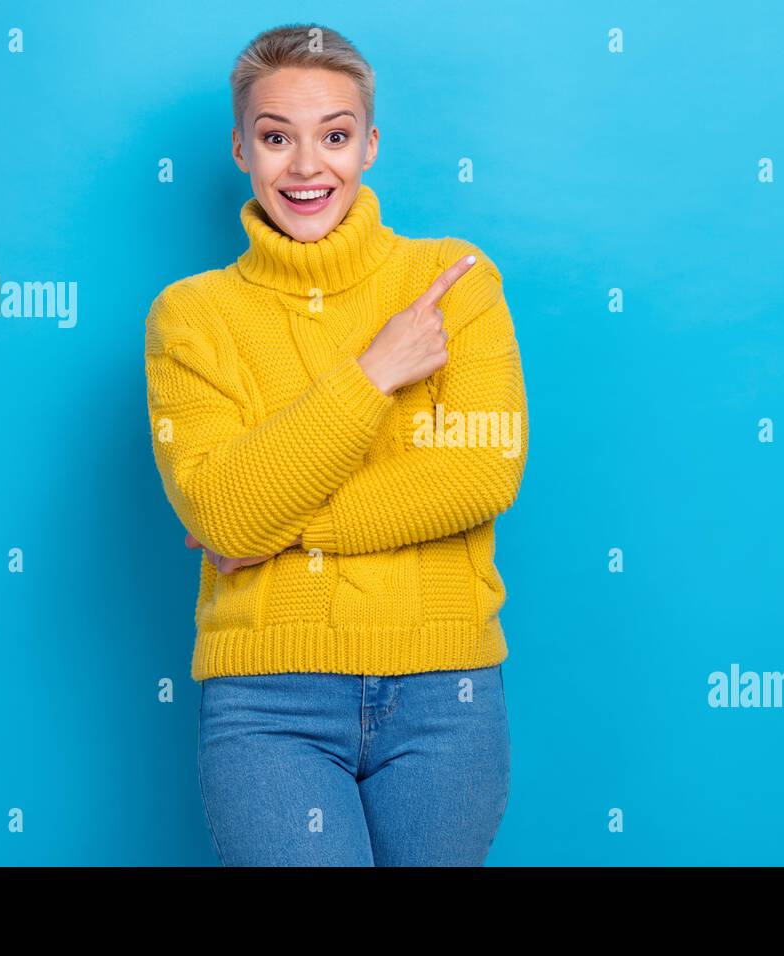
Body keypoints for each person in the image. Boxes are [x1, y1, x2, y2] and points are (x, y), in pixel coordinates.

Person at [143, 23, 529, 866]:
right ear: (241, 148)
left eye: (336, 134)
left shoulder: (452, 282)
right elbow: (219, 509)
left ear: (370, 145)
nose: (307, 166)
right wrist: (375, 373)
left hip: (445, 694)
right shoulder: (192, 317)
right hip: (266, 703)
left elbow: (479, 472)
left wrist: (274, 526)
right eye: (277, 136)